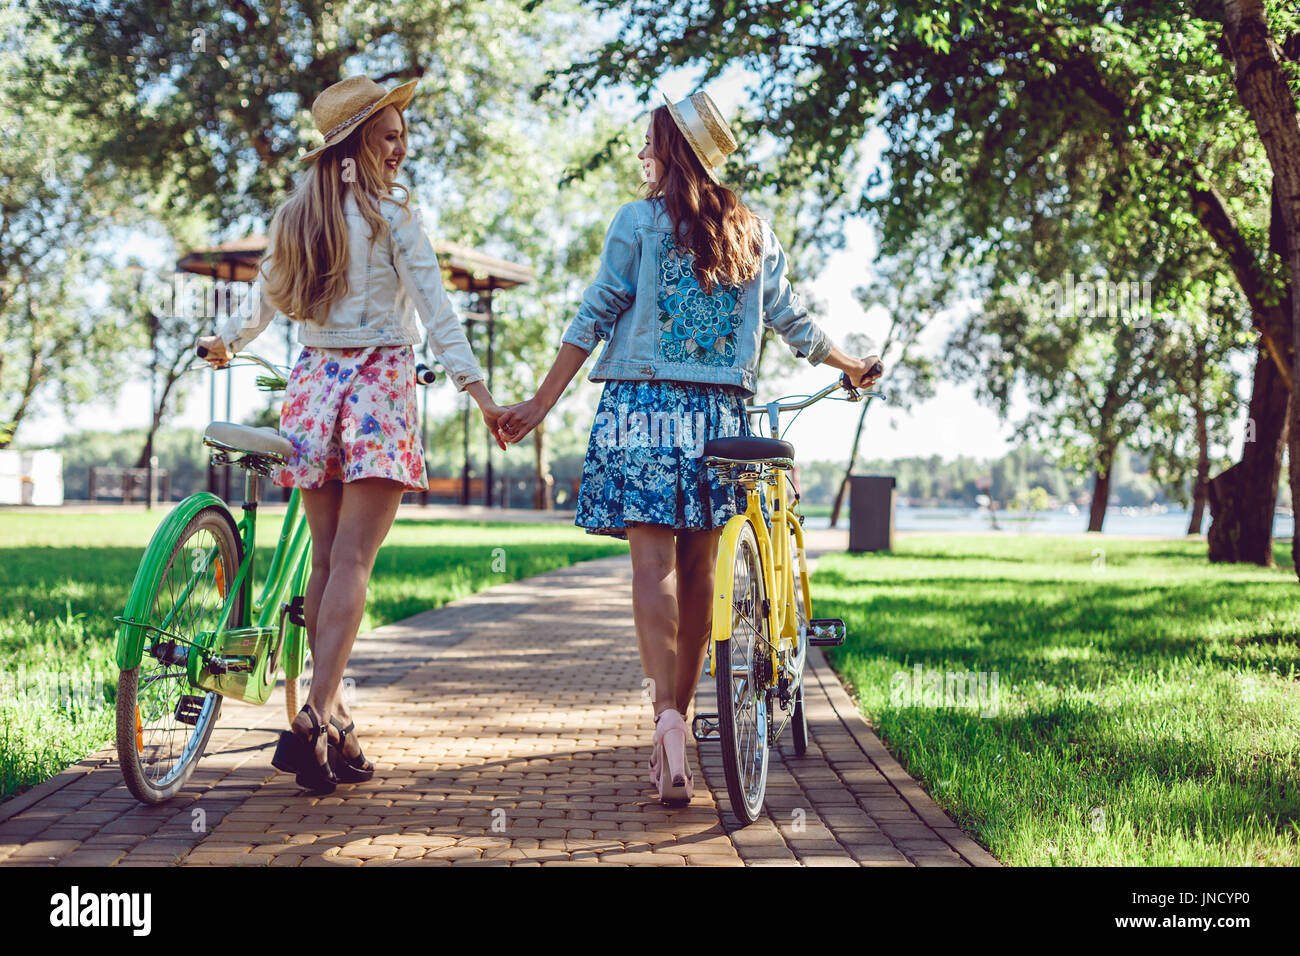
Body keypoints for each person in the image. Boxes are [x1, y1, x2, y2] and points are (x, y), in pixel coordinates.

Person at [496, 90, 883, 805]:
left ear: (670, 150)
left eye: (649, 143)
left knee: (652, 572)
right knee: (701, 569)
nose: (642, 155)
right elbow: (793, 323)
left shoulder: (638, 223)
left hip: (641, 410)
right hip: (719, 420)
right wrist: (850, 365)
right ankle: (685, 717)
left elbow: (594, 315)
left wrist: (538, 404)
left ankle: (667, 724)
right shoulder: (753, 233)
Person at [198, 75, 508, 794]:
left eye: (403, 136)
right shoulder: (394, 217)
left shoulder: (298, 216)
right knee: (354, 562)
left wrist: (228, 343)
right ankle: (312, 715)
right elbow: (436, 312)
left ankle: (333, 714)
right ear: (357, 144)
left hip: (313, 387)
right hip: (377, 389)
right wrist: (482, 395)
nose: (401, 149)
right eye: (388, 136)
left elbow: (265, 299)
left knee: (328, 560)